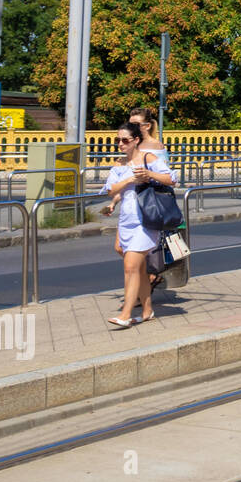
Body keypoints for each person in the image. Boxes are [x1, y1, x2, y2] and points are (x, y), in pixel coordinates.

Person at [101, 123, 172, 328]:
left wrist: (149, 175)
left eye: (125, 140)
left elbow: (171, 178)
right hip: (126, 221)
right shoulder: (120, 164)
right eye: (118, 140)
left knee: (131, 267)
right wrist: (130, 179)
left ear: (136, 140)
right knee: (139, 270)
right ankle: (148, 310)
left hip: (146, 221)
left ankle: (126, 314)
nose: (120, 144)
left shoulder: (148, 159)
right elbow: (110, 189)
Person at [122, 107, 179, 291]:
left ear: (146, 126)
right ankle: (146, 282)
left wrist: (148, 174)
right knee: (122, 247)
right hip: (132, 200)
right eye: (130, 124)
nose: (132, 127)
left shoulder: (155, 146)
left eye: (136, 124)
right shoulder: (132, 144)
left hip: (149, 200)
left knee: (143, 250)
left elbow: (166, 176)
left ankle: (144, 287)